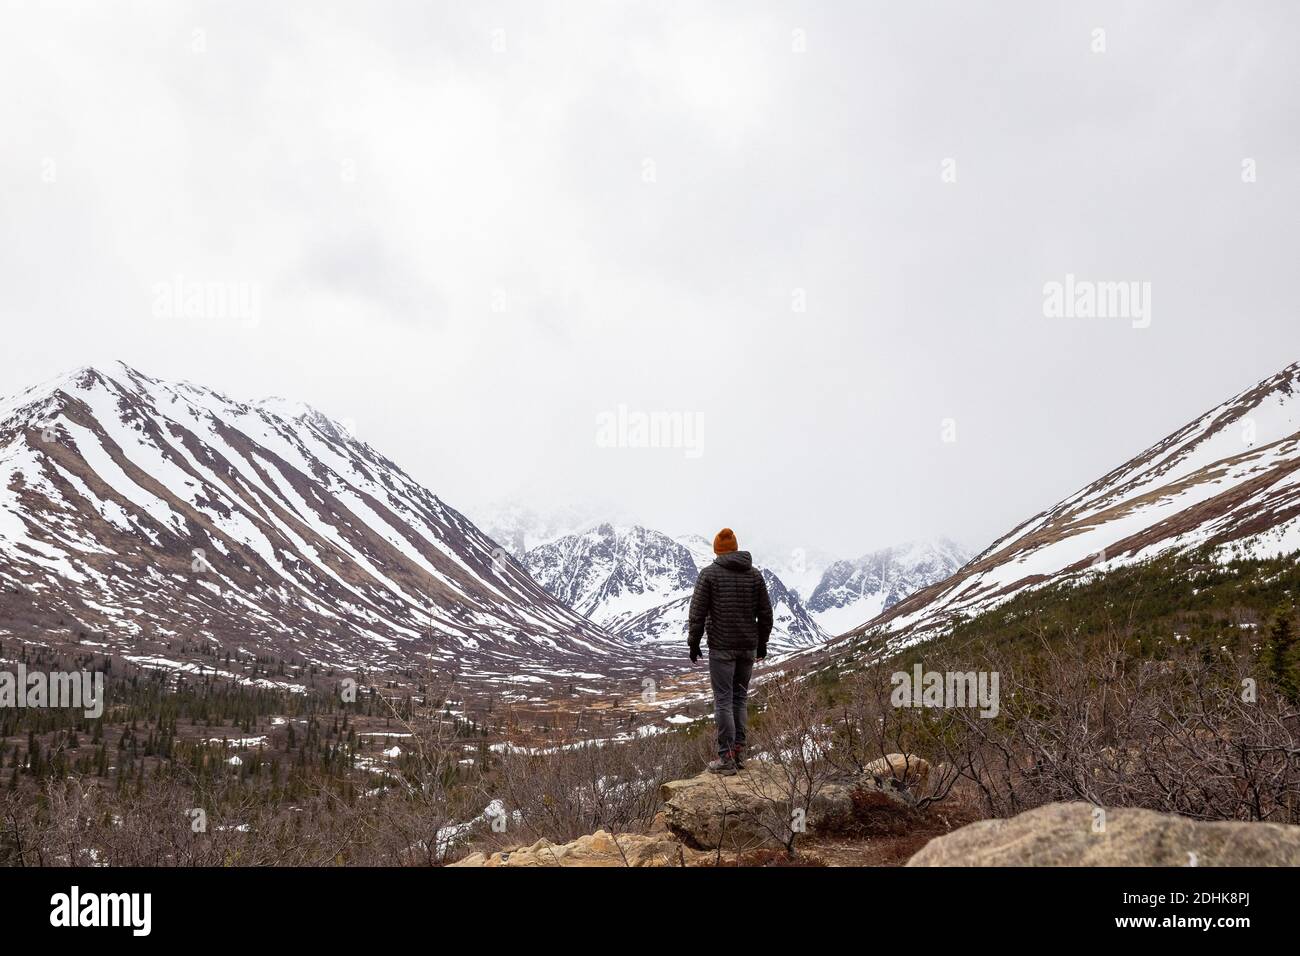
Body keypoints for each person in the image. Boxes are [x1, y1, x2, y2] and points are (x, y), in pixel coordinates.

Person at [687, 527, 773, 775]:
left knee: (723, 700)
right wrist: (762, 643)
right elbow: (765, 614)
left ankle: (725, 759)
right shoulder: (755, 575)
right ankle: (738, 752)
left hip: (722, 648)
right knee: (740, 699)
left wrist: (694, 643)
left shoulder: (709, 575)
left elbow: (697, 613)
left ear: (717, 550)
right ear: (735, 549)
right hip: (747, 648)